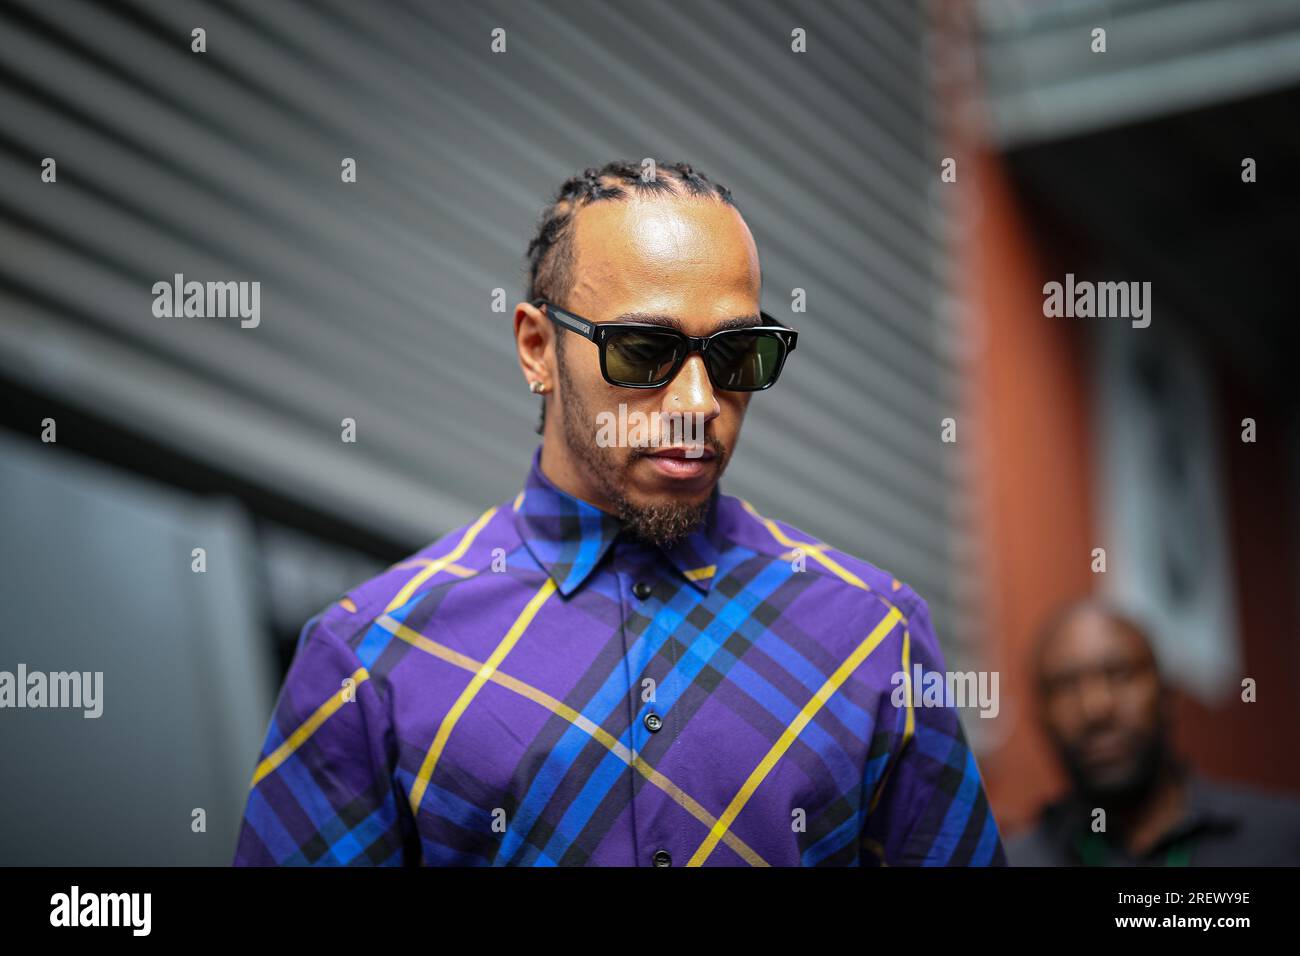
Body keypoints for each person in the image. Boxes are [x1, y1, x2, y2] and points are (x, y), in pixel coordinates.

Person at [233, 159, 1004, 866]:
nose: (698, 404)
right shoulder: (370, 660)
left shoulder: (872, 638)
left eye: (738, 356)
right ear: (537, 349)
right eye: (642, 351)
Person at [1007, 599, 1300, 865]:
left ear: (1168, 695)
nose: (1096, 708)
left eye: (1120, 674)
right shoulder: (1009, 862)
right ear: (1041, 717)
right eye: (1066, 685)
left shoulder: (1283, 839)